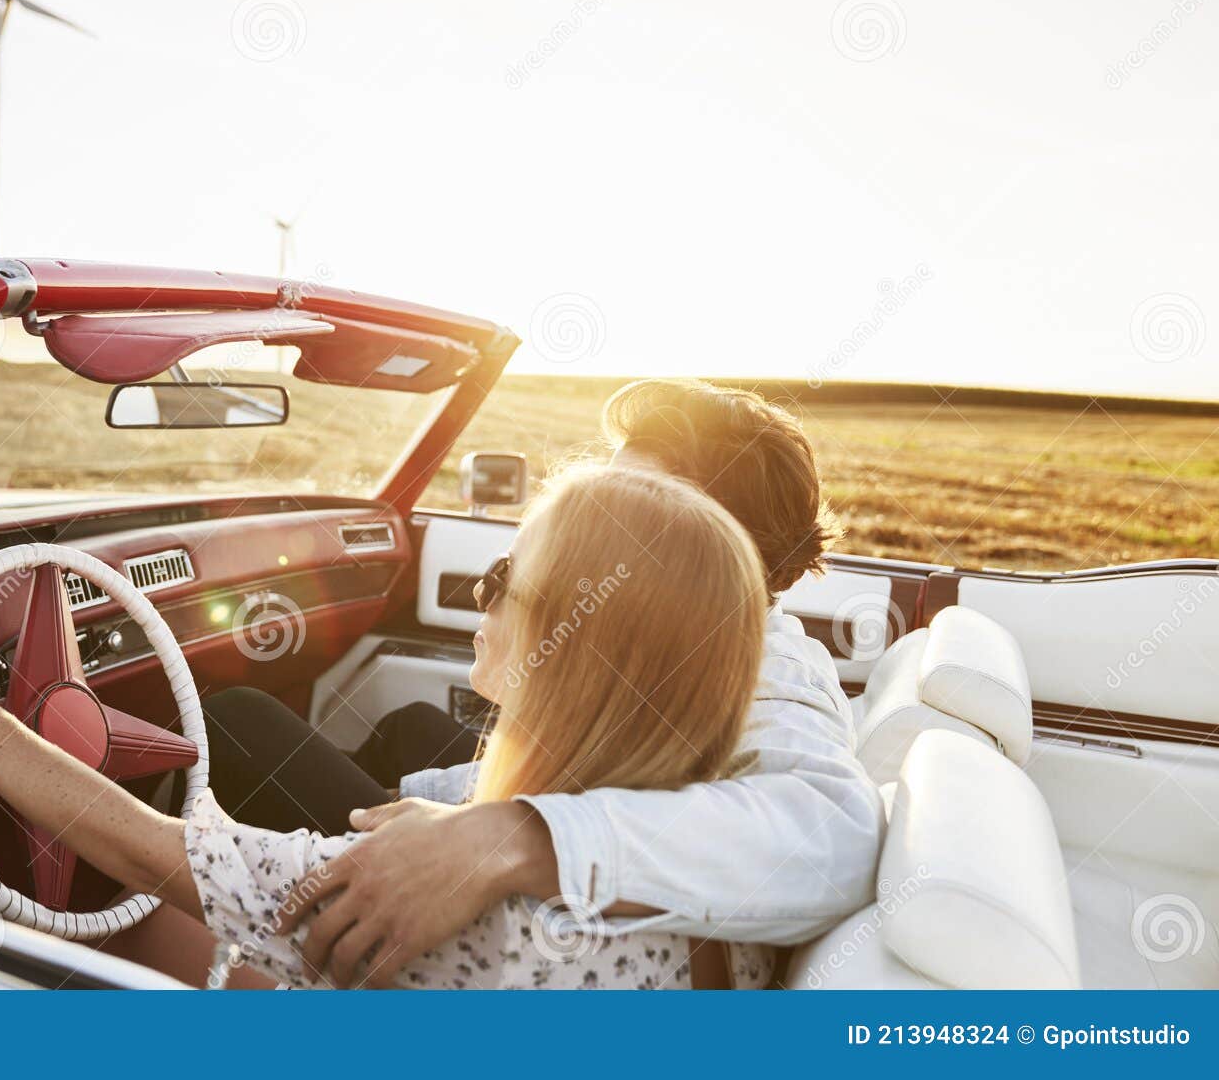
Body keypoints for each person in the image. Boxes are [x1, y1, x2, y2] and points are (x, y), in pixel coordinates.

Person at [0, 465, 777, 989]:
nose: (480, 594)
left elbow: (147, 851)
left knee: (59, 945)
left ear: (573, 651)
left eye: (507, 576)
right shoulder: (729, 871)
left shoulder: (472, 909)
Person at [203, 378, 885, 986]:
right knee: (412, 727)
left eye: (625, 509)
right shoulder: (698, 632)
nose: (593, 521)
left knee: (239, 723)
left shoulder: (777, 675)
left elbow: (830, 842)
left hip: (527, 919)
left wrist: (512, 839)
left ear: (704, 540)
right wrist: (431, 807)